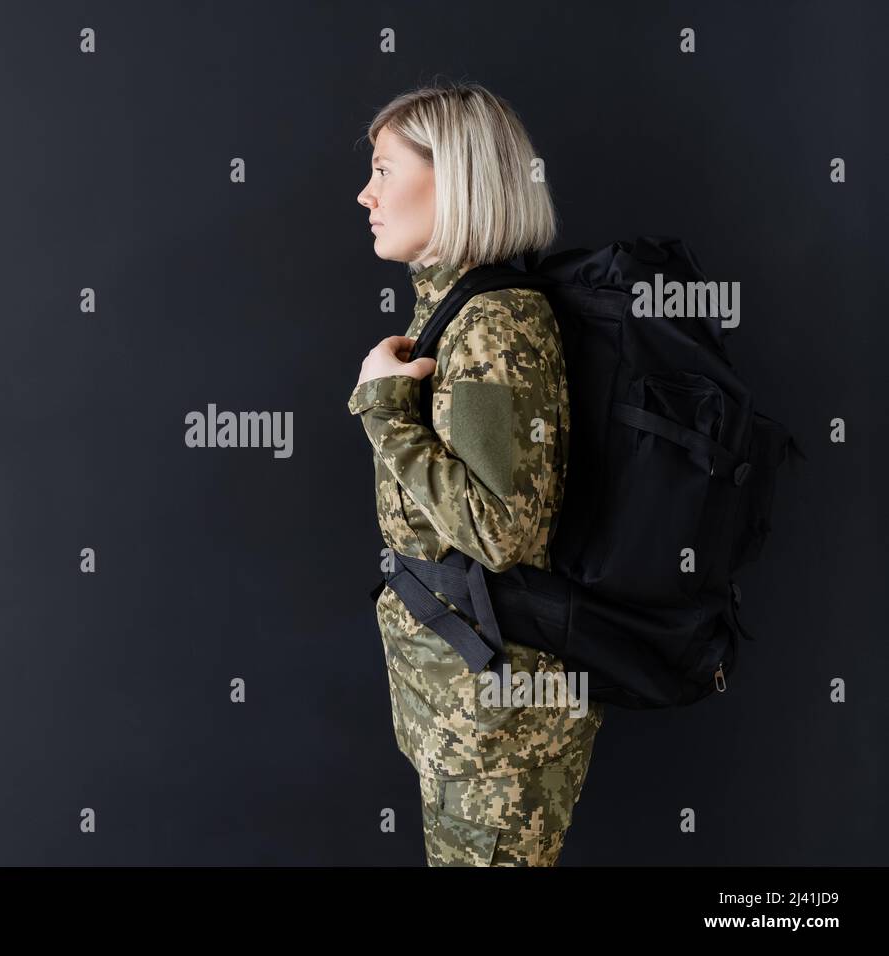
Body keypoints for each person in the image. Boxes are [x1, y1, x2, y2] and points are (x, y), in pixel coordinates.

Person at [347, 82, 603, 866]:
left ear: (452, 178)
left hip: (496, 728)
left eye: (385, 170)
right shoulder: (454, 312)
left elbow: (501, 528)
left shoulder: (492, 326)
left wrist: (383, 409)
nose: (366, 194)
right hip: (460, 704)